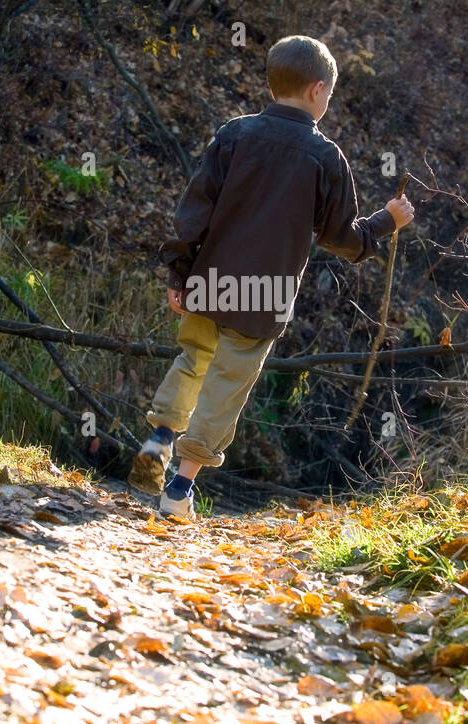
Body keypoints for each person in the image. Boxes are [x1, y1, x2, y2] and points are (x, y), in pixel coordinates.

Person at [127, 34, 415, 519]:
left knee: (193, 359)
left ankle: (157, 444)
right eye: (330, 93)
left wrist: (179, 272)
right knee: (227, 384)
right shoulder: (326, 158)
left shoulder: (234, 134)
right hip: (265, 295)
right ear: (317, 90)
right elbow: (342, 238)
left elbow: (194, 210)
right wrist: (388, 221)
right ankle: (177, 491)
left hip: (208, 278)